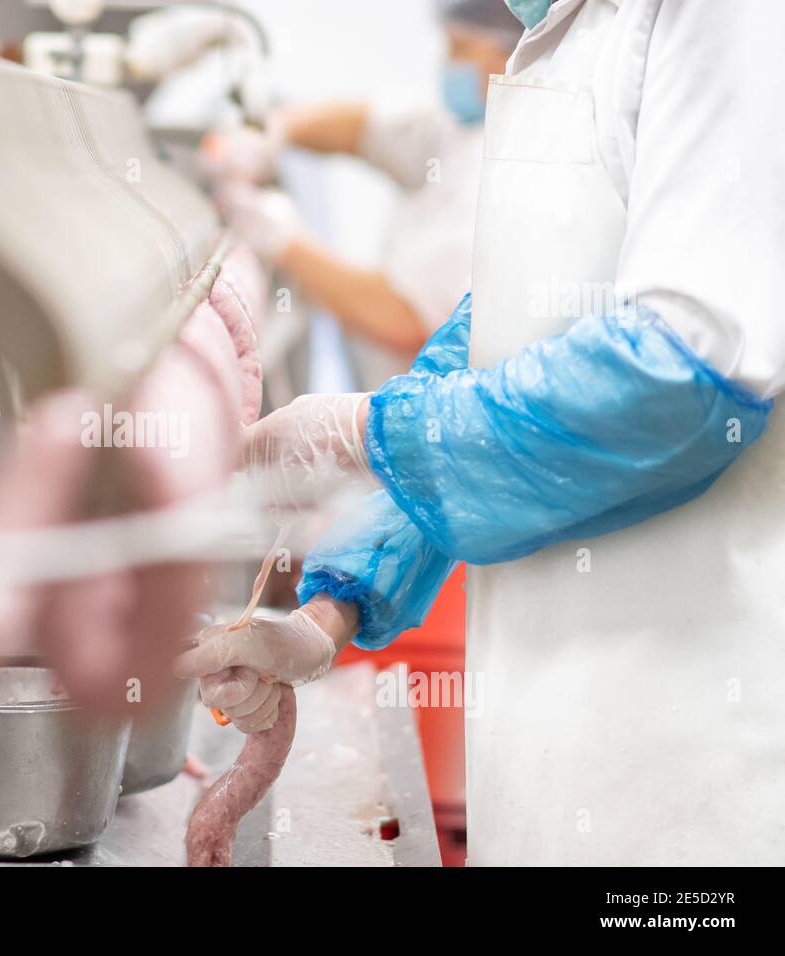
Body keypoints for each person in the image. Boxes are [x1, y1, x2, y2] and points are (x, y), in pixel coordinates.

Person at [178, 0, 785, 865]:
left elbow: (688, 373)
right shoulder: (557, 41)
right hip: (549, 774)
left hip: (693, 786)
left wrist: (362, 430)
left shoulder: (726, 18)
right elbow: (488, 358)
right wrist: (331, 611)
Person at [205, 0, 522, 387]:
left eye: (461, 48)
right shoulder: (465, 127)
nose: (447, 64)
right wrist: (275, 130)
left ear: (512, 54)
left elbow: (404, 317)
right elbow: (365, 127)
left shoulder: (507, 173)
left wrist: (284, 241)